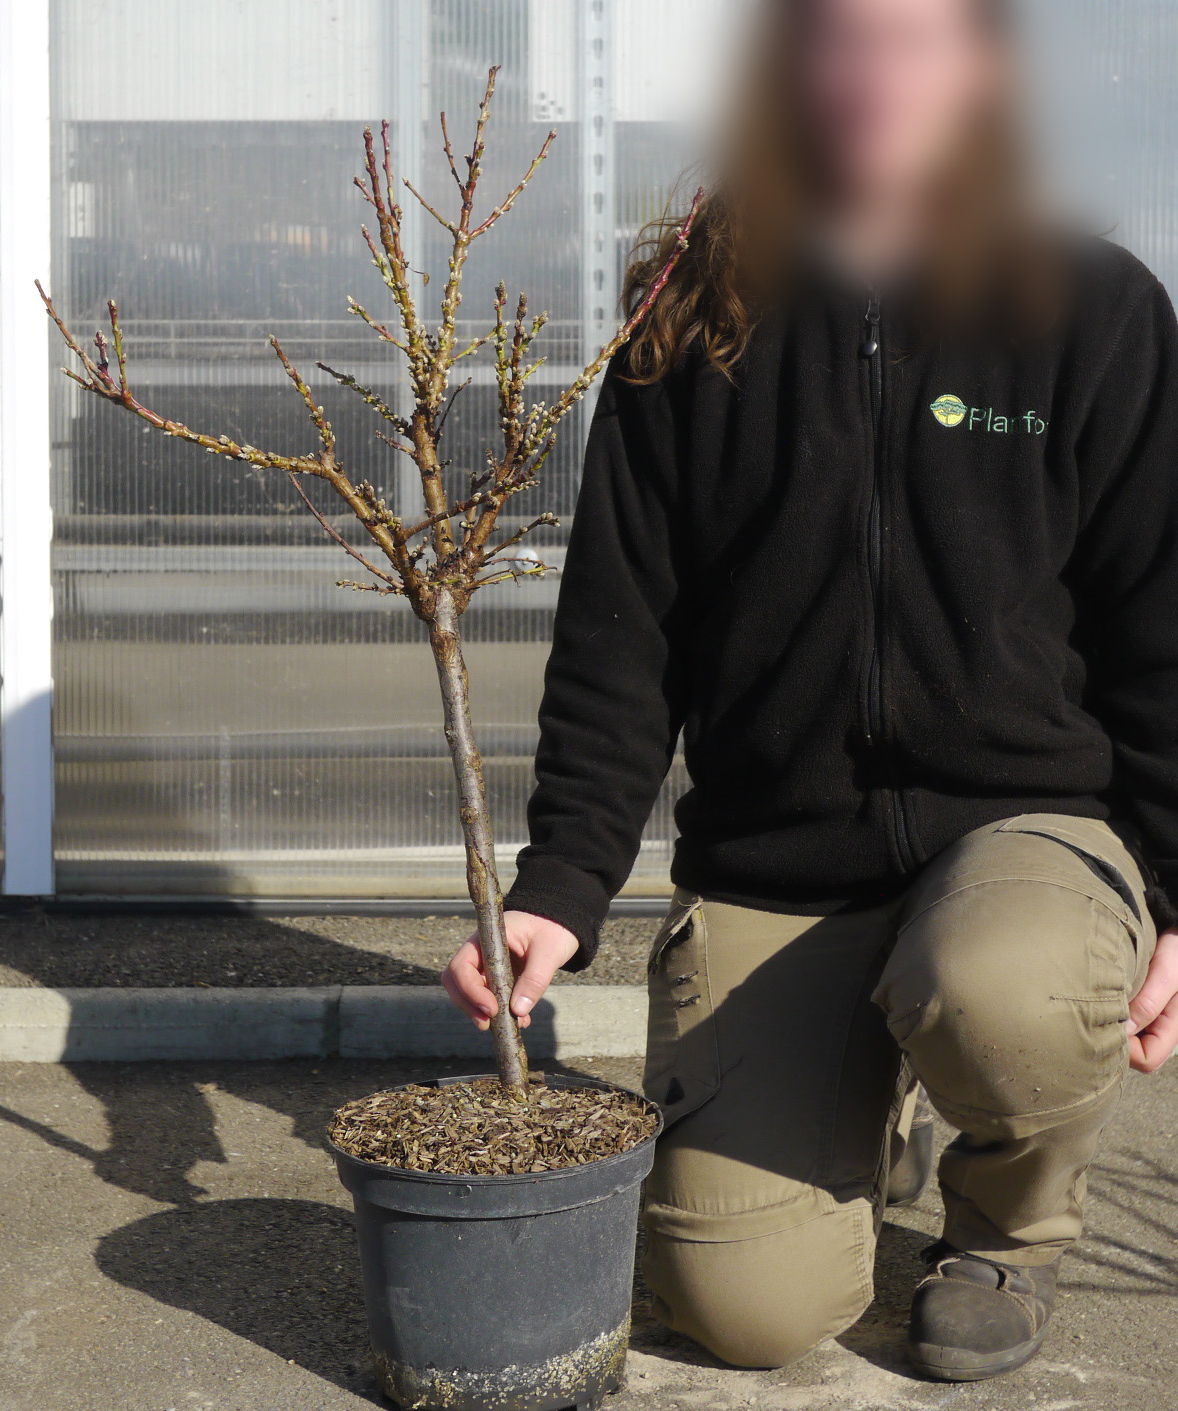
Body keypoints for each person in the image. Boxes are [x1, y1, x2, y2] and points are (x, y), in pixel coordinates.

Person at [442, 0, 1178, 1383]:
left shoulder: (1093, 310)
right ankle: (865, 1095)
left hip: (1020, 842)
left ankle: (1008, 1226)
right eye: (844, 39)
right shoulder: (695, 312)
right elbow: (623, 633)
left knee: (1004, 993)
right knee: (742, 1310)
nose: (879, 76)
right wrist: (562, 885)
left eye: (919, 41)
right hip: (779, 869)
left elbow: (1161, 628)